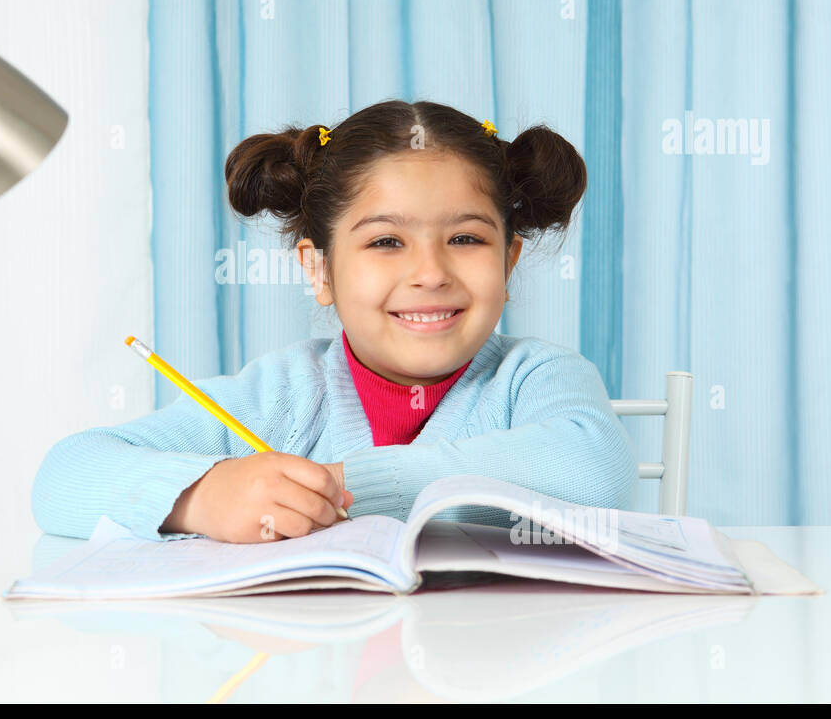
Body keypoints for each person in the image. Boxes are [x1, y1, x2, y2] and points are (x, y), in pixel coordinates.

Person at [32, 99, 638, 543]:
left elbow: (593, 471)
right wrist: (203, 496)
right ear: (319, 270)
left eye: (464, 238)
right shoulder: (285, 396)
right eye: (385, 243)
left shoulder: (536, 376)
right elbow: (64, 475)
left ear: (508, 261)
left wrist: (341, 485)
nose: (430, 273)